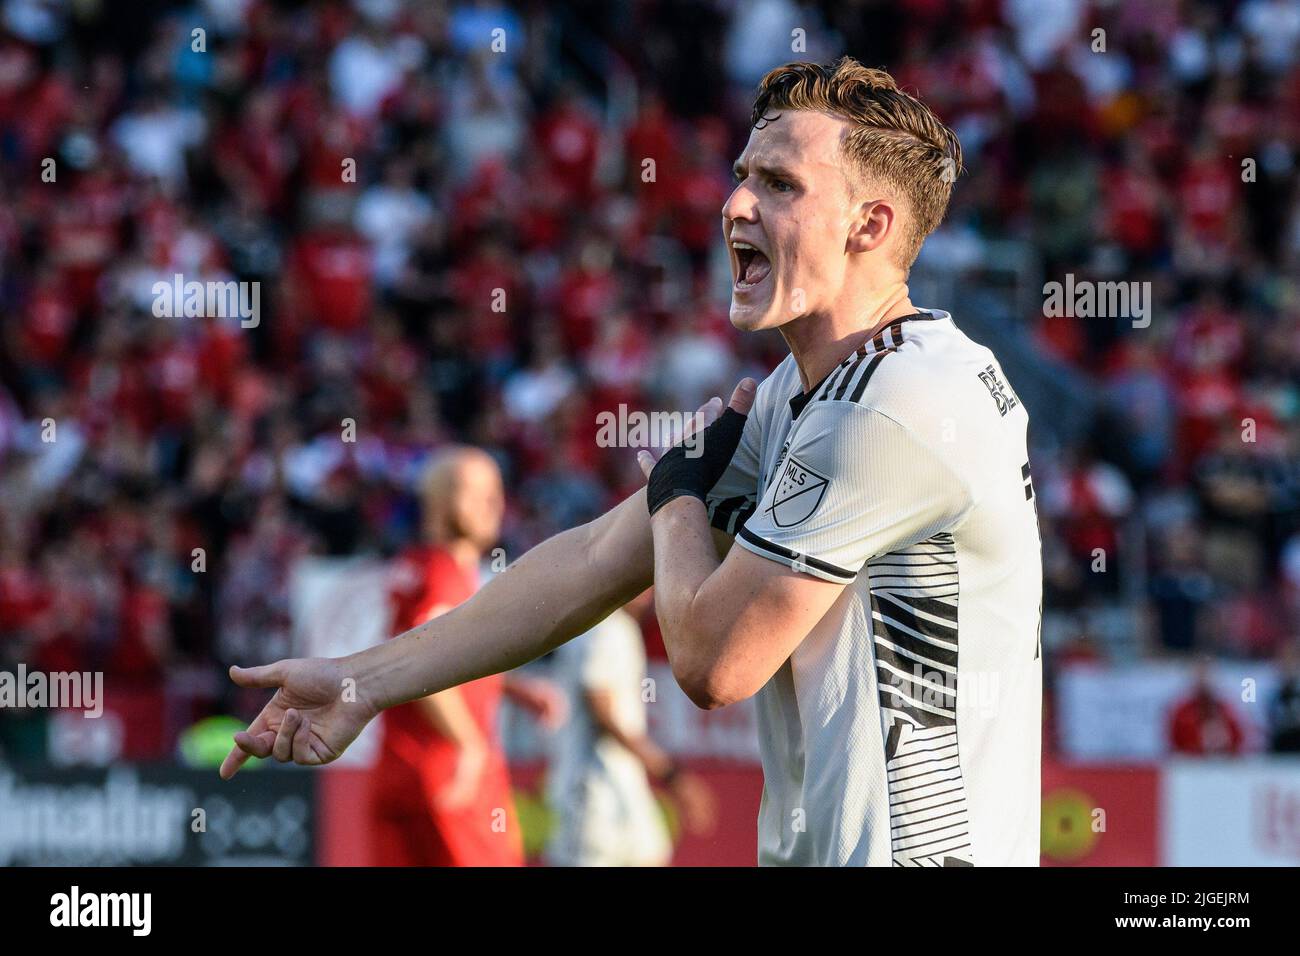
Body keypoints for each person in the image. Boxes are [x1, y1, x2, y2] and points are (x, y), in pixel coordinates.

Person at [221, 58, 1043, 867]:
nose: (735, 205)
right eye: (742, 175)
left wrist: (680, 497)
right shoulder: (816, 385)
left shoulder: (892, 403)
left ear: (870, 225)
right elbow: (590, 560)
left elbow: (714, 662)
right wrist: (360, 681)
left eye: (781, 185)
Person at [371, 447, 564, 866]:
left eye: (496, 492)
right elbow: (421, 662)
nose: (493, 503)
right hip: (452, 774)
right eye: (476, 493)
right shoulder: (444, 572)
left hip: (399, 769)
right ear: (440, 501)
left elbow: (429, 652)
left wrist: (511, 687)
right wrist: (471, 746)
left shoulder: (414, 565)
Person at [545, 588, 715, 866]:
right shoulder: (604, 629)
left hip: (621, 784)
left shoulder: (617, 627)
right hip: (592, 792)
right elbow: (601, 709)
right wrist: (671, 773)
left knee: (650, 853)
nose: (646, 591)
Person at [1167, 657, 1244, 756]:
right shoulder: (1182, 712)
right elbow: (1174, 742)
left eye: (1207, 675)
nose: (1204, 680)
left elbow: (1238, 740)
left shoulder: (1226, 710)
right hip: (1191, 765)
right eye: (1200, 675)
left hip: (1223, 766)